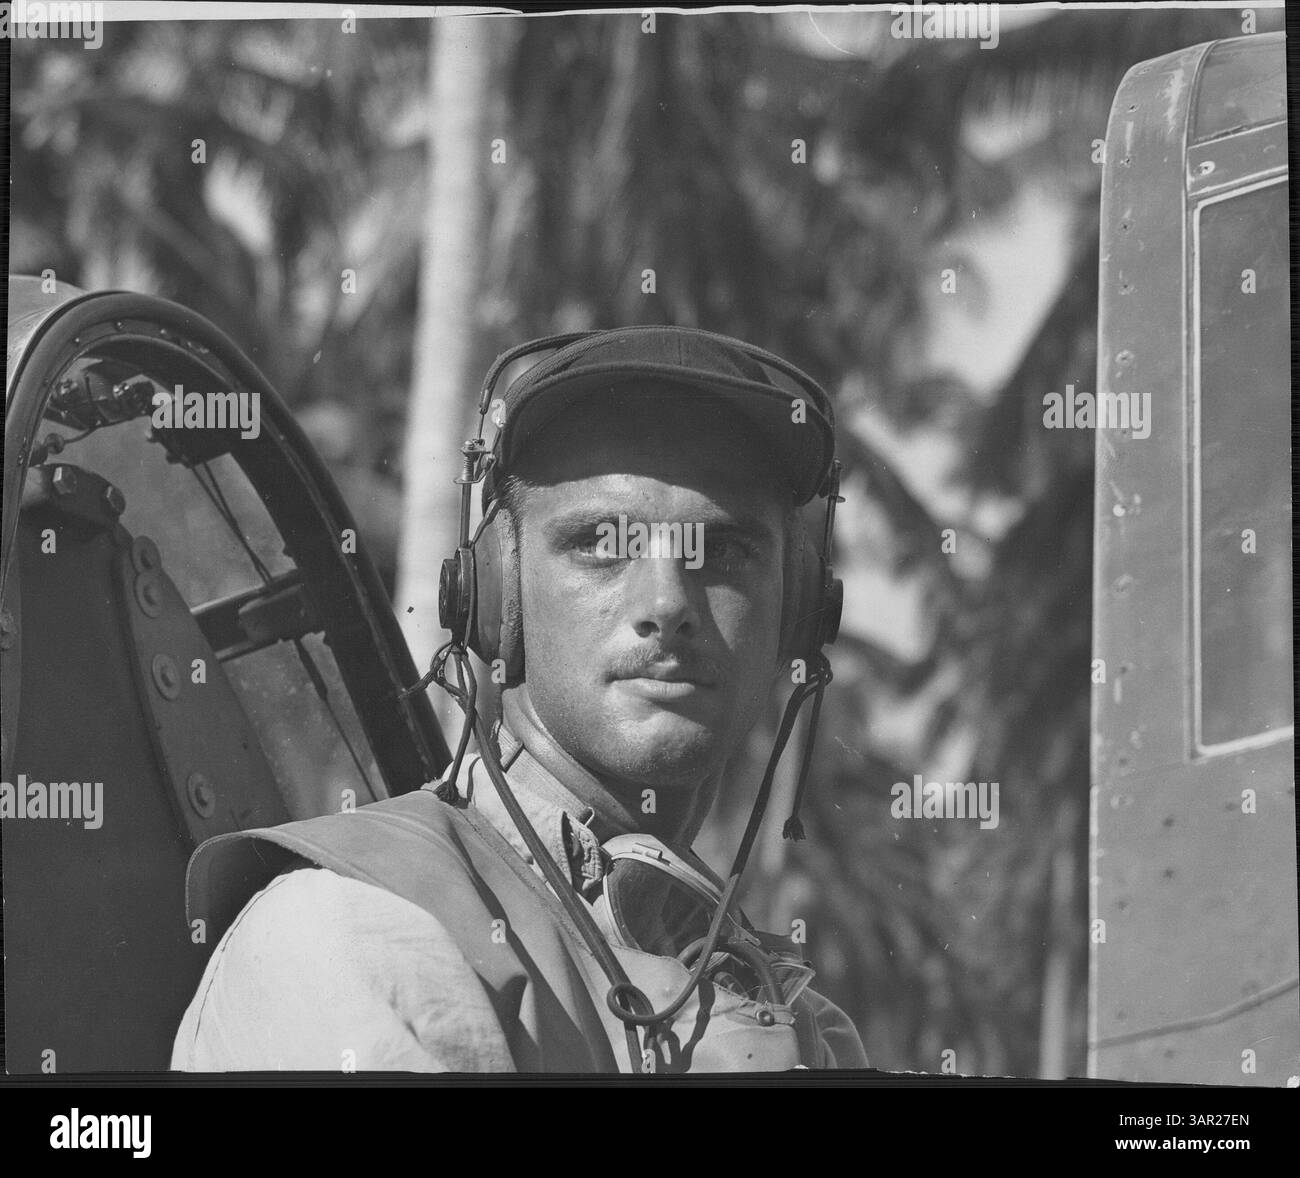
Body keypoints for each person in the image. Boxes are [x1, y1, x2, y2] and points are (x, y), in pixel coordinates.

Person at [171, 327, 867, 1073]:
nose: (668, 602)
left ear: (795, 613)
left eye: (723, 551)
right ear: (495, 596)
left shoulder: (810, 1029)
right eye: (601, 542)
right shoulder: (361, 930)